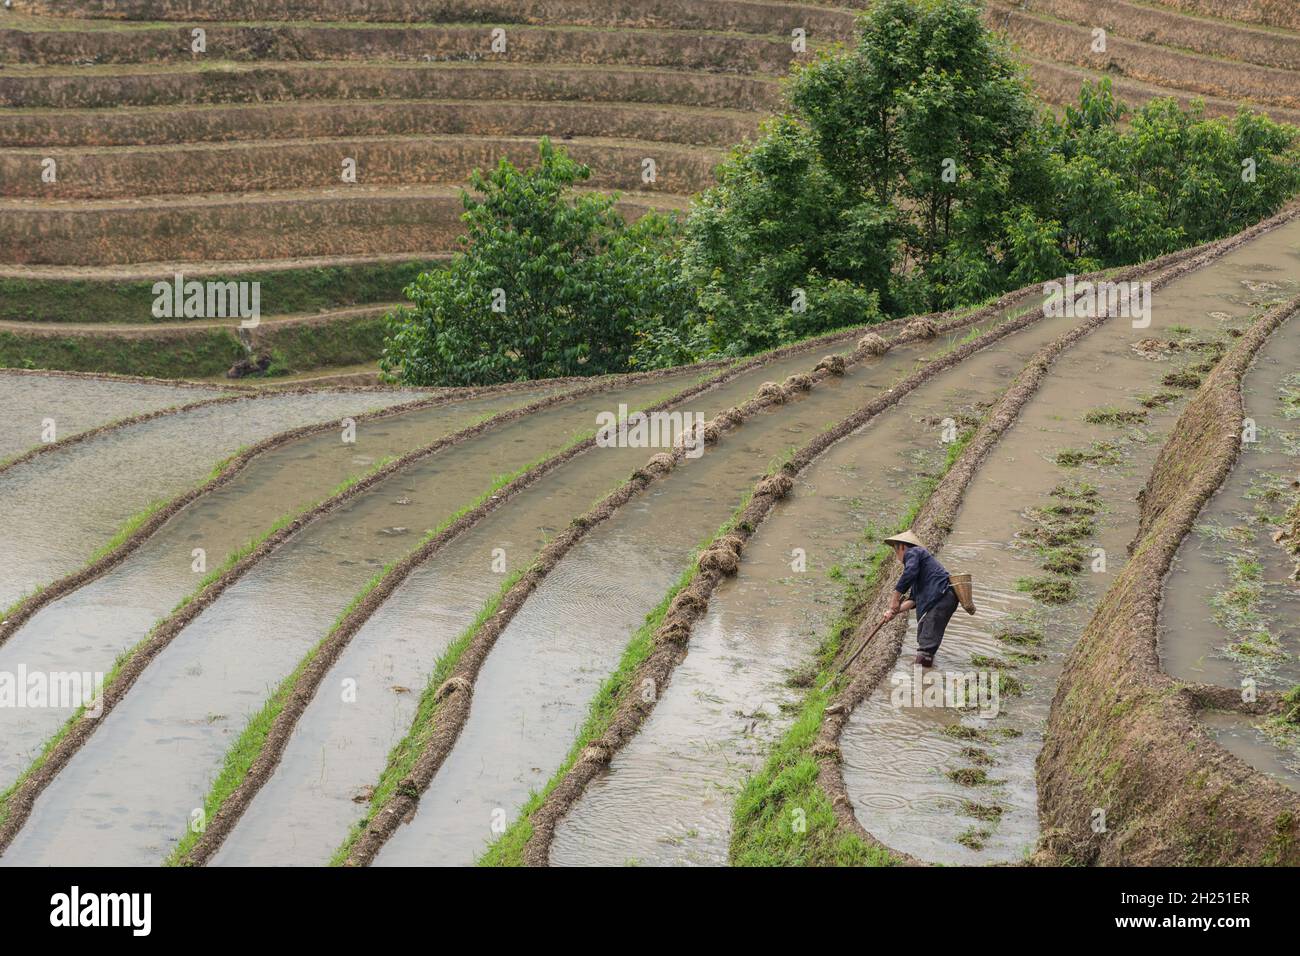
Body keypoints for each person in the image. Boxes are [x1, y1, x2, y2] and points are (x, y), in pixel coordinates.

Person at [881, 529, 958, 667]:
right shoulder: (920, 568)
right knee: (924, 635)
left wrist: (895, 597)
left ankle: (921, 674)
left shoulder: (913, 552)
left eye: (896, 551)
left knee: (927, 642)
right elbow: (913, 600)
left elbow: (909, 573)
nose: (897, 556)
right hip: (943, 599)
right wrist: (893, 612)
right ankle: (925, 669)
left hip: (942, 597)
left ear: (903, 547)